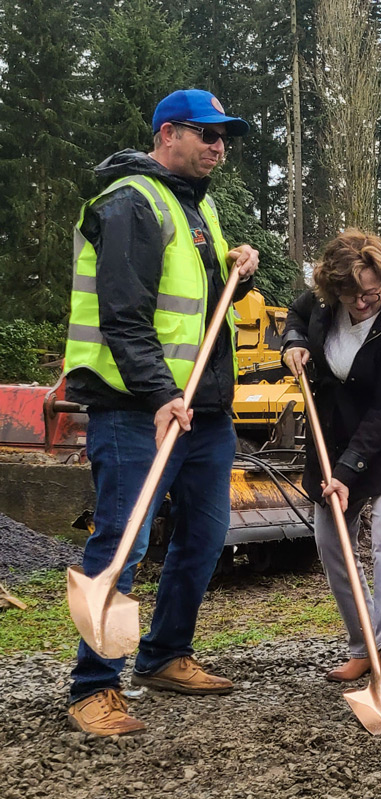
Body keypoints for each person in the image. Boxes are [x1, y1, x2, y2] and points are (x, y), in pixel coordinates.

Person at [62, 89, 260, 736]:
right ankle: (94, 686)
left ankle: (165, 653)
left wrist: (241, 268)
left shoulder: (196, 206)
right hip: (135, 408)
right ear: (168, 133)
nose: (219, 146)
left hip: (203, 409)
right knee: (125, 540)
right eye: (207, 134)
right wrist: (158, 394)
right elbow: (123, 315)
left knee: (203, 534)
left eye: (224, 137)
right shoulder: (130, 203)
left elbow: (201, 300)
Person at [282, 230, 381, 686]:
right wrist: (292, 342)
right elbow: (295, 314)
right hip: (331, 439)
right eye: (353, 295)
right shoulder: (320, 305)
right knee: (332, 545)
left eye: (372, 292)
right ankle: (363, 645)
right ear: (334, 289)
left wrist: (348, 471)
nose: (364, 302)